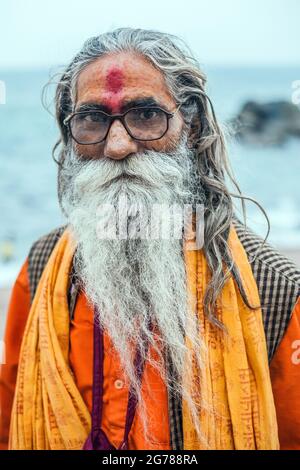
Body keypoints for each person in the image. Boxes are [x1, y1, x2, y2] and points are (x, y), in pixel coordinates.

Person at [1, 28, 300, 451]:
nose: (118, 144)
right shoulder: (41, 267)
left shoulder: (275, 289)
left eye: (145, 115)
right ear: (71, 136)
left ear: (191, 125)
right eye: (93, 119)